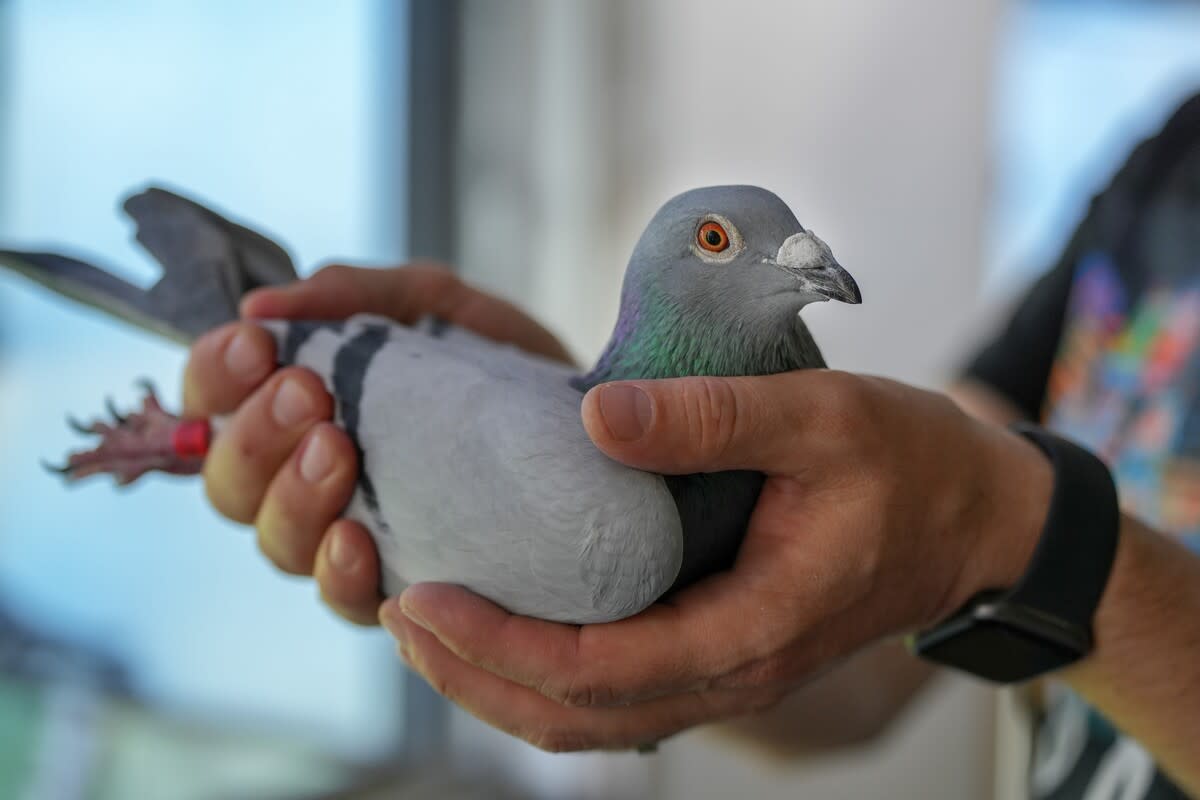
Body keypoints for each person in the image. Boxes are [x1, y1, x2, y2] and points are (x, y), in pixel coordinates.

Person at [181, 93, 1200, 797]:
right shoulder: (1166, 163)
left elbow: (970, 515)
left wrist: (1009, 530)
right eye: (717, 243)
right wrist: (586, 550)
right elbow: (861, 659)